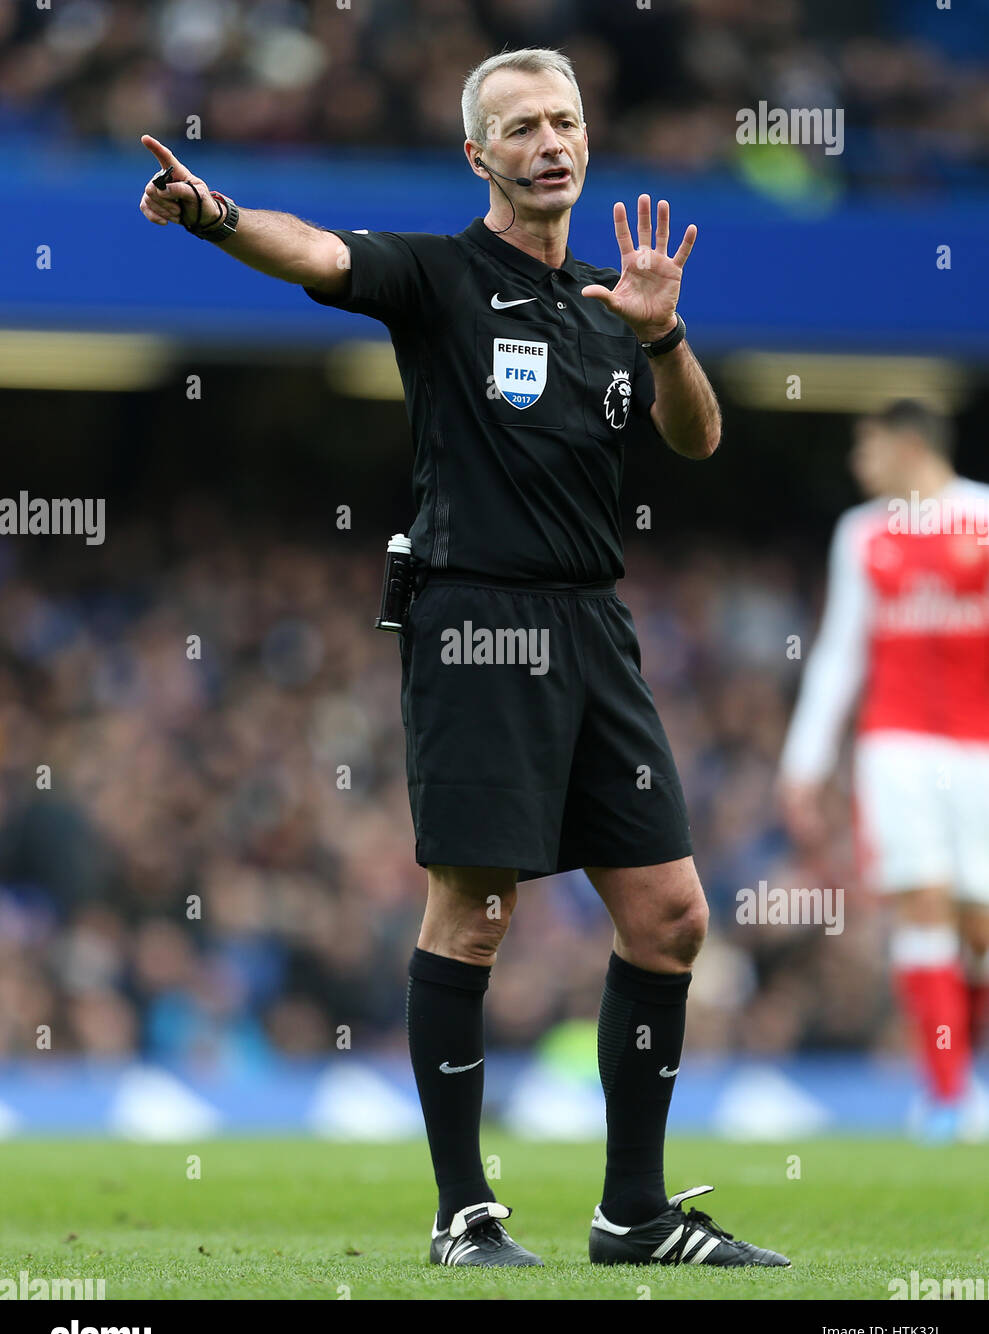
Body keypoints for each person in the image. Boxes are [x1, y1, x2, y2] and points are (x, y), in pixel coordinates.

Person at [139, 46, 788, 1269]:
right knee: (475, 913)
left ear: (587, 142)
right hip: (477, 622)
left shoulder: (613, 303)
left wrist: (664, 338)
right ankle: (461, 1213)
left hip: (596, 626)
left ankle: (632, 1216)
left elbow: (695, 441)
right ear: (477, 155)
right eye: (521, 126)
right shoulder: (440, 278)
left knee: (671, 916)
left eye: (566, 121)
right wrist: (215, 215)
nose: (550, 141)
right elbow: (322, 253)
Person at [779, 400, 989, 1143]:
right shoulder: (863, 532)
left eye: (867, 449)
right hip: (895, 747)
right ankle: (944, 1094)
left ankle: (960, 1072)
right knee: (922, 903)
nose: (857, 464)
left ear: (907, 447)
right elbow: (839, 651)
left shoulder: (981, 517)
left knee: (977, 925)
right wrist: (802, 761)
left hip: (980, 749)